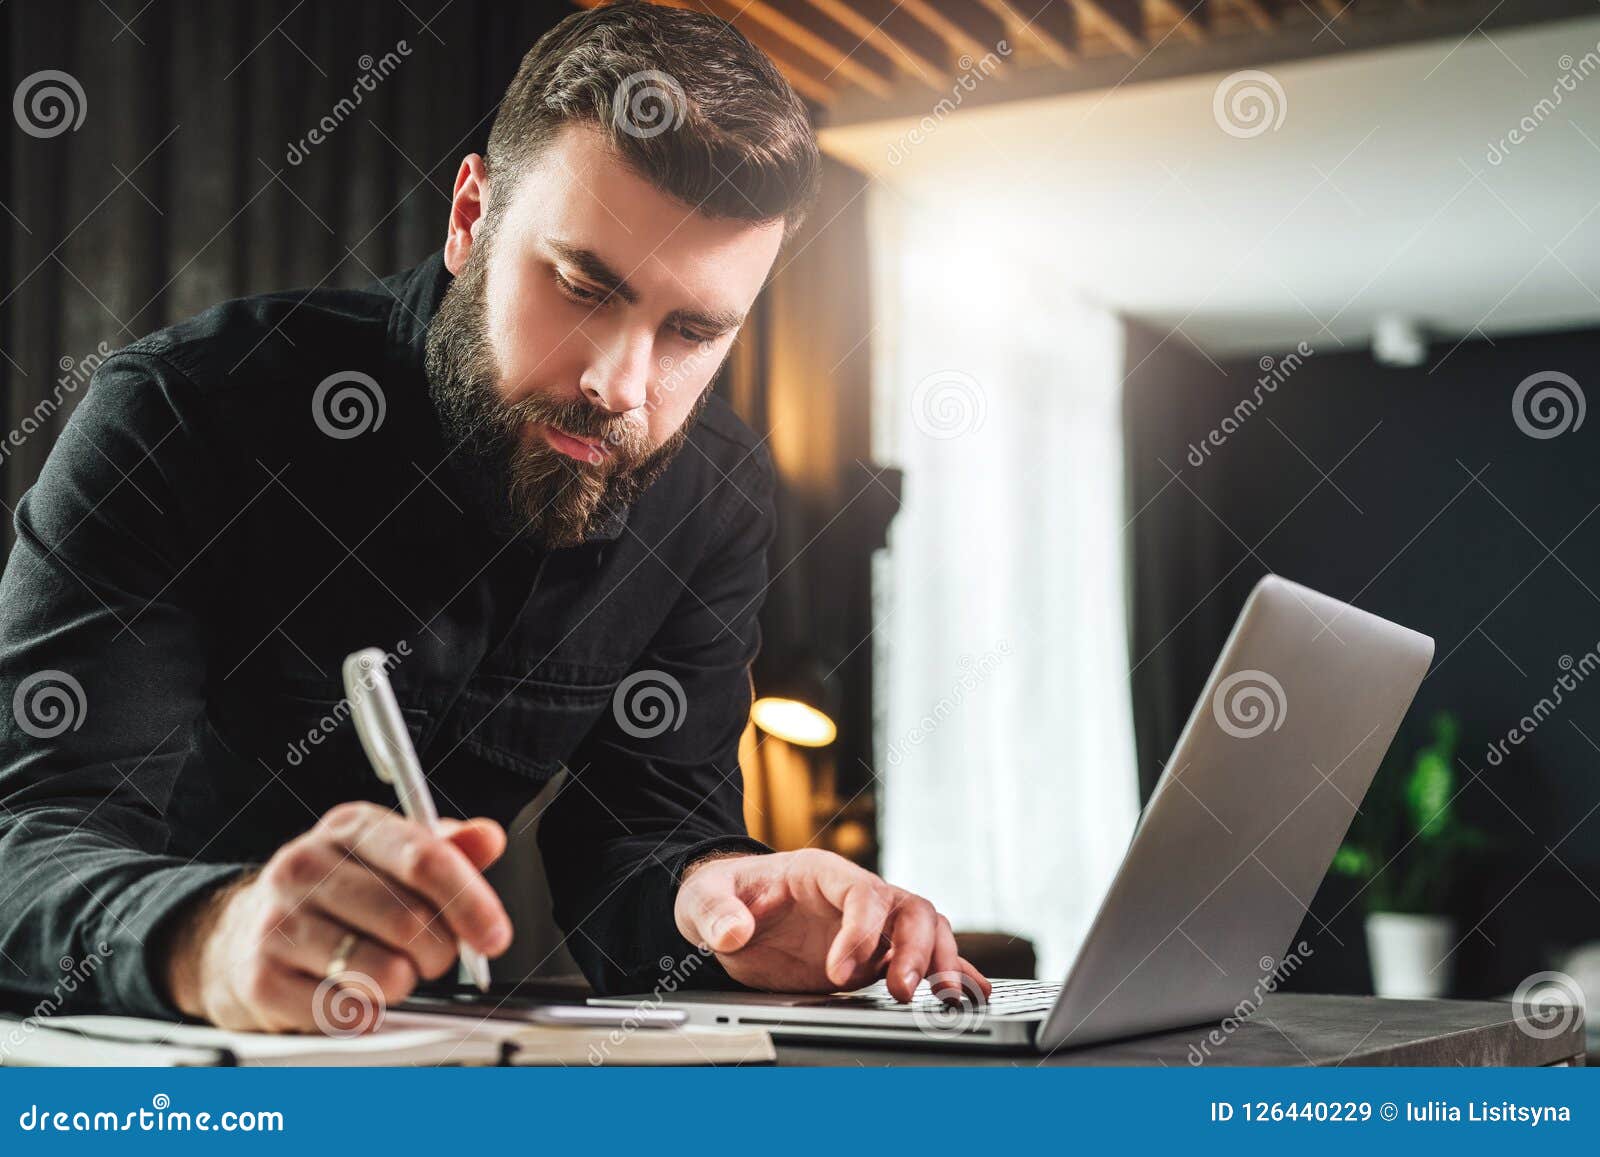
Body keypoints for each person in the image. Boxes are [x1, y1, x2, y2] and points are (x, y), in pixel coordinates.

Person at [0, 0, 989, 1032]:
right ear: (469, 218)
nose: (619, 384)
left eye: (691, 330)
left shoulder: (712, 498)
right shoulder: (183, 414)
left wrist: (718, 907)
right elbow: (31, 831)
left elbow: (638, 840)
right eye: (580, 285)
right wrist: (209, 933)